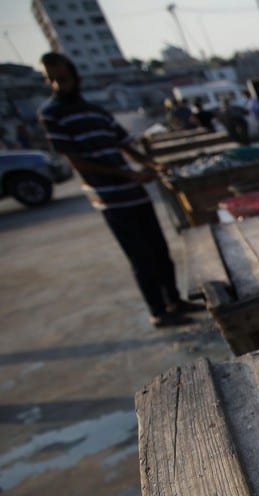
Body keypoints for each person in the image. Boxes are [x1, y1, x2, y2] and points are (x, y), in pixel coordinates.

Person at [37, 52, 200, 328]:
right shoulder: (51, 114)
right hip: (110, 199)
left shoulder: (96, 112)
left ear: (75, 77)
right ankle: (159, 312)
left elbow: (125, 145)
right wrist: (128, 174)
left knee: (159, 251)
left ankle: (174, 300)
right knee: (141, 257)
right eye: (50, 80)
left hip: (134, 193)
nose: (57, 85)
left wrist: (153, 165)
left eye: (62, 79)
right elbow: (77, 162)